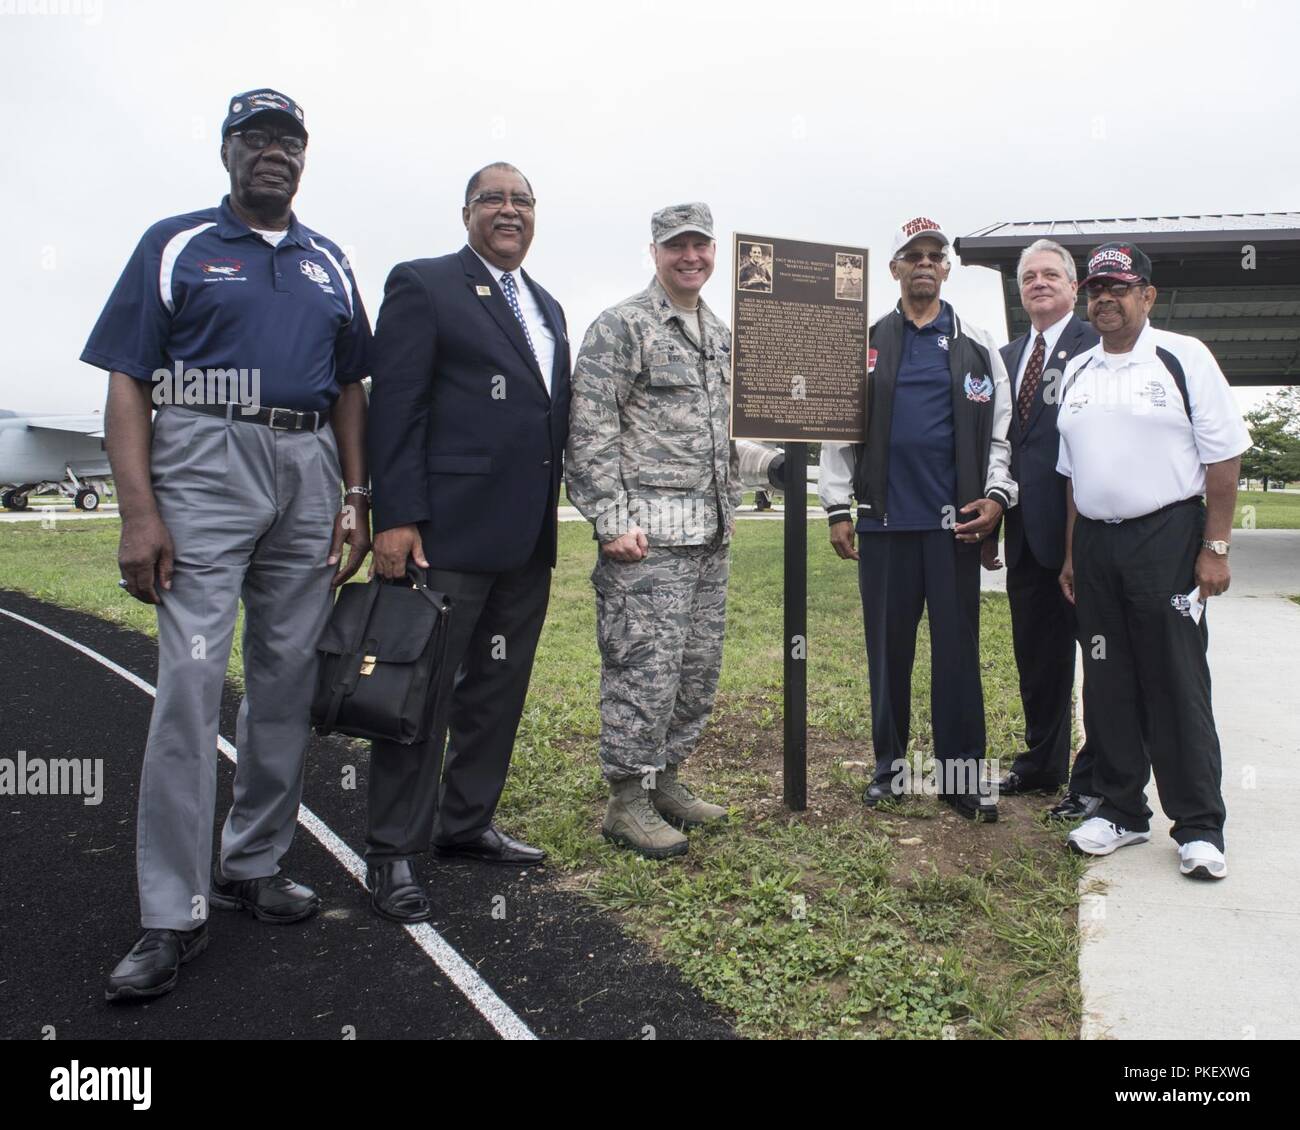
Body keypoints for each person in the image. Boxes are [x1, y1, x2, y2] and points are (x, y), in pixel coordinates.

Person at [83, 89, 373, 1000]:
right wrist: (139, 512)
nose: (272, 153)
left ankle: (253, 862)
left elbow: (352, 385)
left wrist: (355, 494)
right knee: (192, 681)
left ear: (305, 156)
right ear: (227, 153)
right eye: (255, 139)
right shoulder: (176, 245)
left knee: (286, 676)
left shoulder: (330, 262)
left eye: (287, 140)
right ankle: (171, 910)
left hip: (309, 463)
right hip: (205, 458)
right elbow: (129, 380)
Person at [365, 163, 570, 920]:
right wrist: (395, 514)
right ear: (466, 214)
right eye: (495, 199)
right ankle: (392, 851)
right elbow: (398, 407)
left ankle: (465, 825)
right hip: (442, 539)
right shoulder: (424, 286)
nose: (509, 210)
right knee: (417, 696)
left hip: (525, 544)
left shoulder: (546, 306)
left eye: (522, 200)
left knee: (495, 695)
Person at [1057, 242, 1249, 879]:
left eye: (1118, 286)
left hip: (1165, 537)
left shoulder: (1182, 357)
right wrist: (1070, 558)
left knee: (1173, 679)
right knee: (1107, 679)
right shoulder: (1080, 371)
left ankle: (1198, 825)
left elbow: (1223, 460)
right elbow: (1071, 476)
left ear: (1147, 295)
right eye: (1095, 289)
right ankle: (1120, 811)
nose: (1103, 298)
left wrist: (1214, 548)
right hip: (1096, 547)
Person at [820, 216, 1016, 821]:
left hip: (952, 528)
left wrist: (996, 495)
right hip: (883, 524)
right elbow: (839, 435)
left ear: (947, 269)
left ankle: (961, 778)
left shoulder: (977, 343)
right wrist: (836, 507)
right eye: (914, 255)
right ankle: (891, 769)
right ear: (895, 268)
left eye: (936, 255)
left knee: (956, 652)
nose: (925, 263)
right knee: (889, 653)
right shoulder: (868, 342)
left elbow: (1001, 434)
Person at [567, 203, 740, 859]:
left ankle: (667, 780)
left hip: (710, 539)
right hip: (647, 544)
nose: (690, 257)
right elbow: (589, 432)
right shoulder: (622, 327)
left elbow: (725, 437)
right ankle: (626, 802)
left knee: (694, 673)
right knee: (643, 672)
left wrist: (775, 465)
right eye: (677, 247)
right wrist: (611, 522)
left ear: (714, 251)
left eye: (700, 245)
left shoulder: (720, 335)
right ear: (655, 252)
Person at [985, 238, 1101, 820]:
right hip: (1025, 535)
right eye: (1028, 275)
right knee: (1038, 655)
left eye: (1051, 274)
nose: (1038, 283)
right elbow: (998, 445)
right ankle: (1043, 763)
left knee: (1099, 660)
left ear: (1073, 287)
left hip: (1085, 538)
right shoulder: (1003, 358)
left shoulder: (1098, 347)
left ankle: (1095, 779)